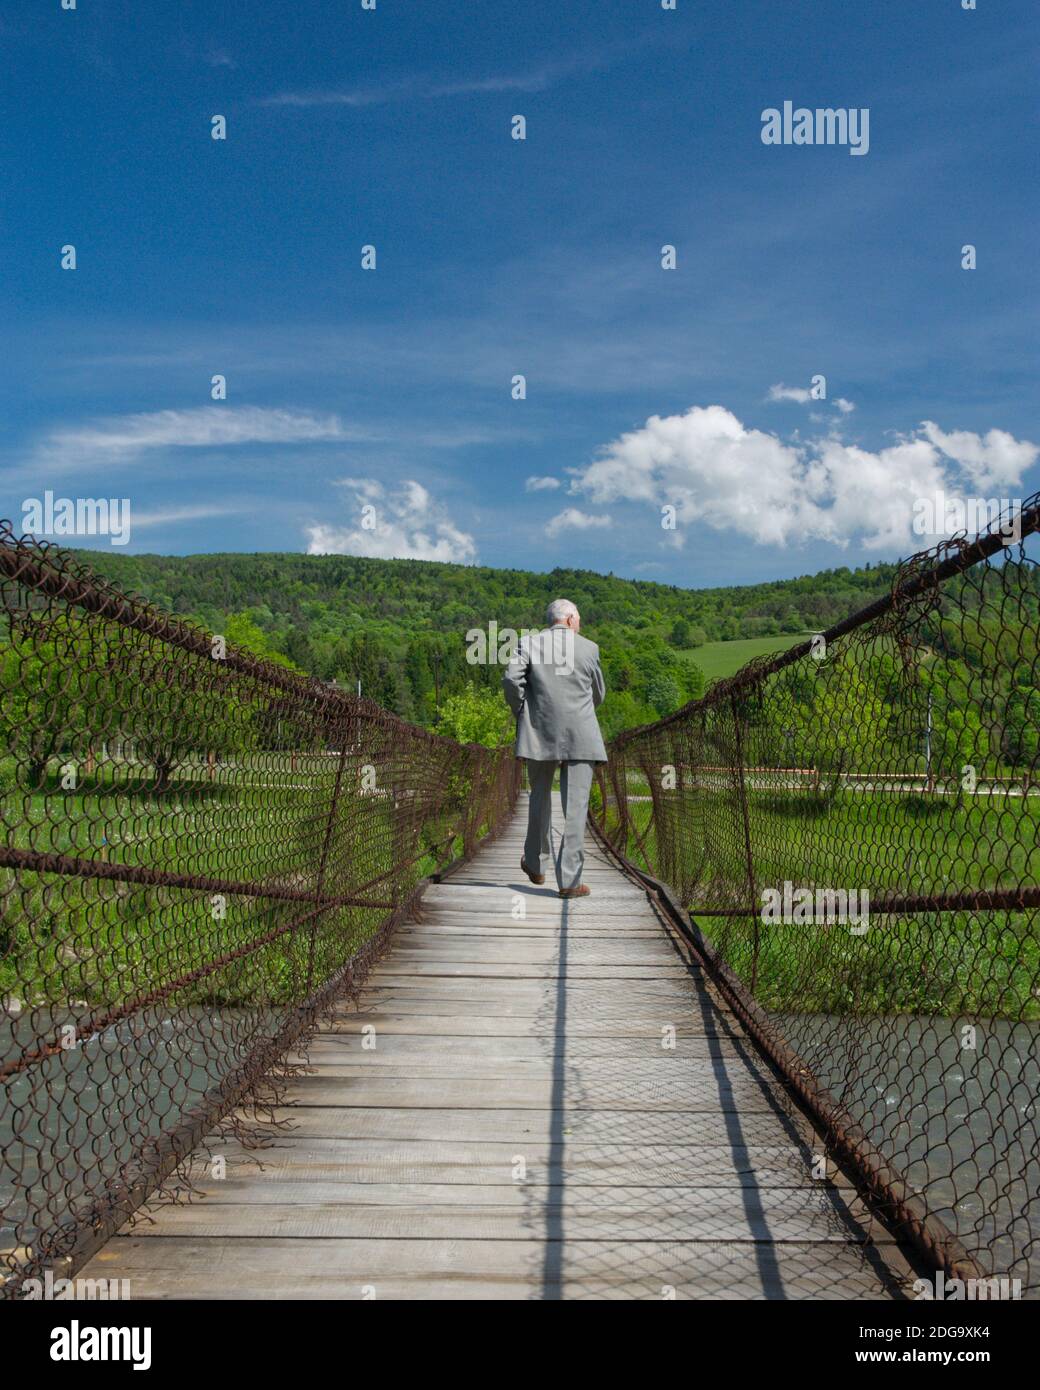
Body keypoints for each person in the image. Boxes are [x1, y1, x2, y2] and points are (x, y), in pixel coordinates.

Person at [502, 598, 607, 898]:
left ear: (552, 620)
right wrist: (580, 712)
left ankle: (535, 864)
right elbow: (598, 693)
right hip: (582, 735)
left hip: (539, 734)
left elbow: (511, 680)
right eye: (580, 619)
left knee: (539, 797)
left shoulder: (528, 643)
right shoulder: (590, 648)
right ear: (572, 620)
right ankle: (570, 883)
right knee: (575, 810)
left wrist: (523, 712)